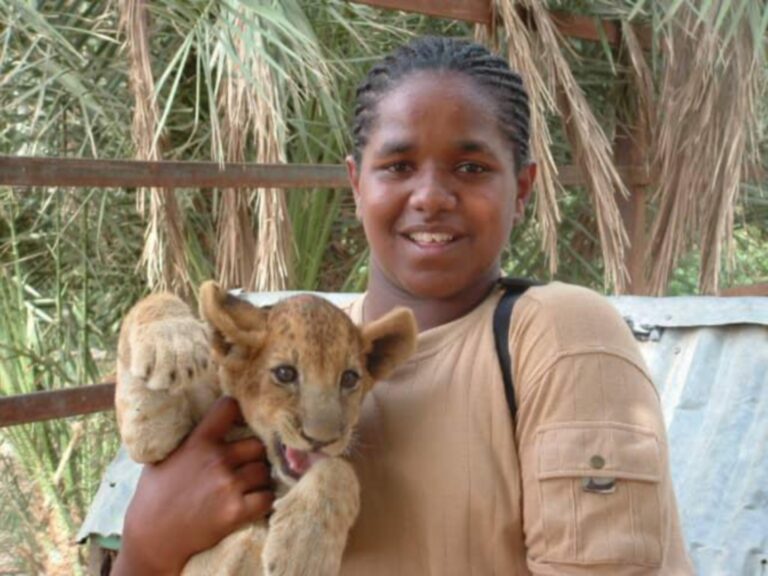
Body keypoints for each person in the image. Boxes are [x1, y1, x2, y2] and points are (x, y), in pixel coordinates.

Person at [113, 36, 693, 575]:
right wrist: (145, 542)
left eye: (472, 167)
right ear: (356, 183)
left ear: (521, 189)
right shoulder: (288, 342)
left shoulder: (558, 333)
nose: (432, 197)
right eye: (397, 166)